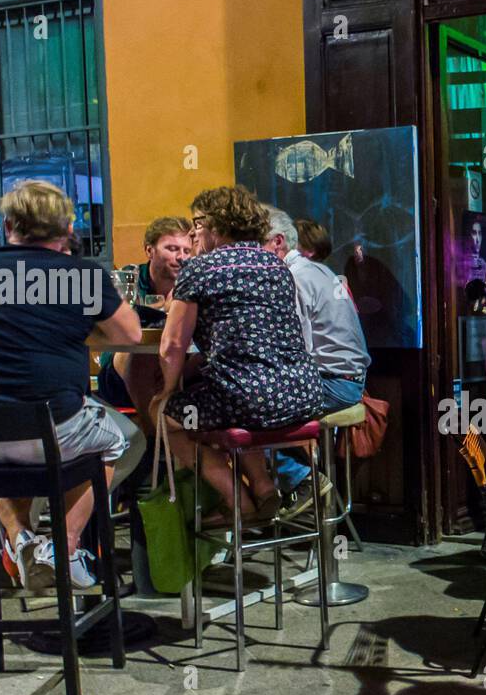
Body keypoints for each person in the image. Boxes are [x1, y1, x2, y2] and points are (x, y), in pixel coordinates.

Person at [0, 180, 145, 591]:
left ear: (8, 224)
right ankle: (64, 545)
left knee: (3, 457)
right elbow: (130, 335)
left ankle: (20, 537)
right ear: (66, 228)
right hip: (54, 426)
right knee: (123, 439)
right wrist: (75, 330)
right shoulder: (79, 274)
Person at [150, 187, 321, 523]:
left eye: (197, 224)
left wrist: (167, 391)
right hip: (302, 395)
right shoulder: (276, 265)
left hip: (246, 398)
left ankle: (237, 501)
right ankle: (263, 487)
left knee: (164, 417)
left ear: (214, 225)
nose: (194, 232)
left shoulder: (200, 269)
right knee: (234, 401)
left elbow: (171, 345)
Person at [261, 208, 371, 515]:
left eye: (257, 245)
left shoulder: (293, 277)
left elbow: (300, 351)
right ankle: (302, 489)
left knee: (250, 406)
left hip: (335, 384)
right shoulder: (317, 270)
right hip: (349, 379)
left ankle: (304, 481)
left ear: (277, 243)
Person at [96, 216, 192, 426]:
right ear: (149, 250)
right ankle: (154, 430)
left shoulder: (192, 286)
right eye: (172, 249)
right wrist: (160, 309)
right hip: (118, 378)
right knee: (132, 353)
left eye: (186, 251)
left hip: (172, 368)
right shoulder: (127, 281)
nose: (181, 257)